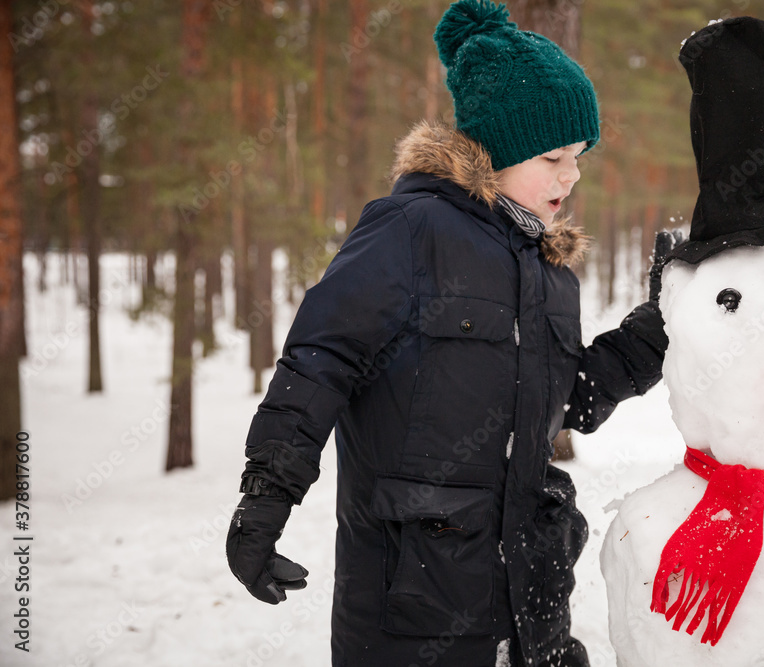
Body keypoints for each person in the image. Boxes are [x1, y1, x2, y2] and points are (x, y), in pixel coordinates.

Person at [225, 1, 668, 665]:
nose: (571, 174)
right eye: (552, 155)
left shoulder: (552, 273)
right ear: (496, 151)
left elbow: (568, 399)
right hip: (412, 610)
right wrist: (267, 495)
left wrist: (661, 326)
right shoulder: (409, 231)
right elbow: (321, 358)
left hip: (529, 609)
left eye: (578, 156)